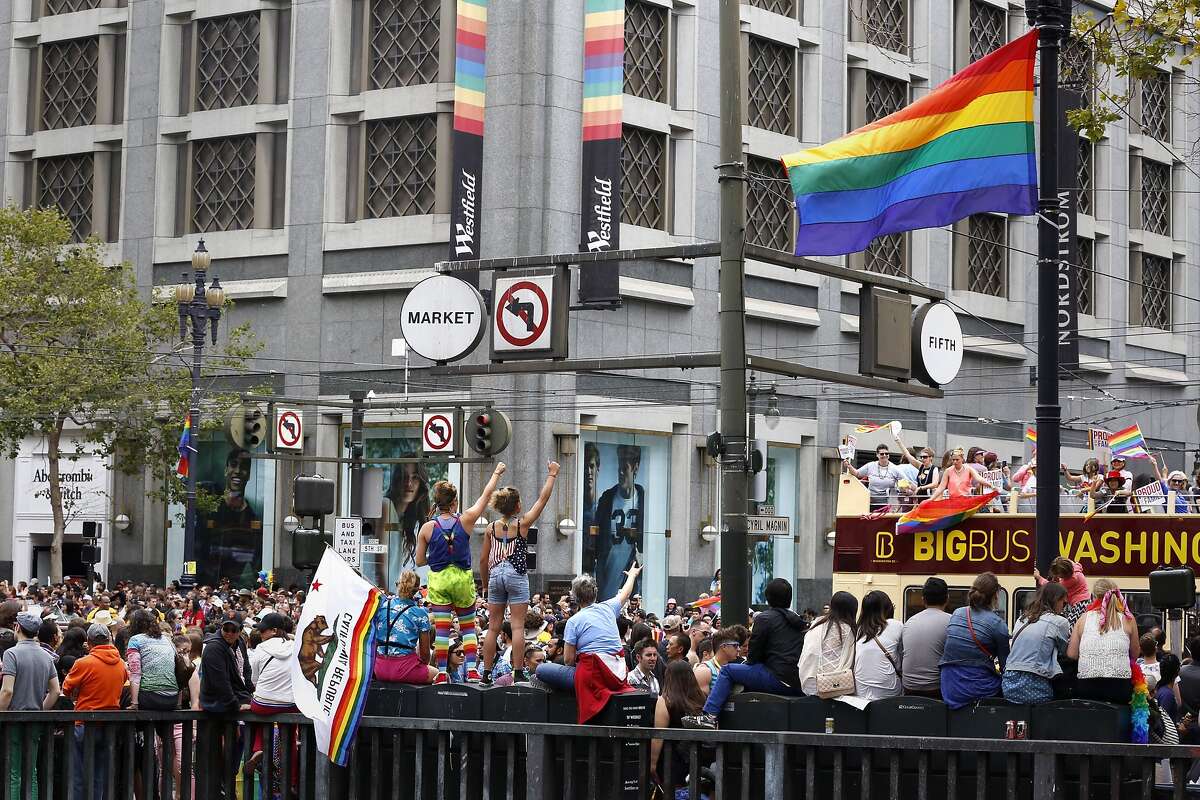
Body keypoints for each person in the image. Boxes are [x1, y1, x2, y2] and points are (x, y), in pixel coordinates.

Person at [415, 465, 505, 682]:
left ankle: (443, 673)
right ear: (454, 502)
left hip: (439, 581)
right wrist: (496, 473)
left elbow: (419, 561)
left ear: (436, 504)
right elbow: (485, 496)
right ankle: (473, 669)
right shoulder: (466, 520)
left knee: (444, 631)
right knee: (467, 628)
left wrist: (437, 559)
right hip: (463, 580)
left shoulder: (427, 528)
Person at [683, 579, 807, 730]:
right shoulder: (799, 622)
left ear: (767, 598)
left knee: (728, 670)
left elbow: (754, 656)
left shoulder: (764, 618)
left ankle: (709, 716)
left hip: (776, 677)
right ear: (790, 598)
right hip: (798, 682)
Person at [480, 461, 560, 684]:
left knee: (493, 627)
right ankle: (517, 672)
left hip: (495, 574)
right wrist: (552, 474)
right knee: (517, 626)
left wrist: (485, 585)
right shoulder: (522, 524)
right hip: (516, 573)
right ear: (516, 507)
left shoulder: (490, 528)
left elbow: (483, 559)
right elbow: (542, 501)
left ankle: (485, 673)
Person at [535, 564, 643, 724]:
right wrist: (632, 575)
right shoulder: (608, 608)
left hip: (593, 678)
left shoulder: (573, 621)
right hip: (618, 675)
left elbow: (568, 661)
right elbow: (626, 593)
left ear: (574, 597)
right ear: (595, 593)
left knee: (541, 669)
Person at [63, 624, 127, 800]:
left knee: (78, 775)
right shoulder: (121, 664)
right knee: (99, 775)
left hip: (84, 724)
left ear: (89, 642)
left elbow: (67, 689)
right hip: (108, 726)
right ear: (108, 639)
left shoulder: (83, 663)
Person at [0, 613, 60, 800]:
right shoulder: (46, 656)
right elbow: (55, 691)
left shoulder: (11, 654)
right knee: (31, 771)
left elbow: (7, 691)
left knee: (14, 772)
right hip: (35, 720)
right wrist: (40, 709)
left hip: (13, 720)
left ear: (17, 627)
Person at [939, 572, 1009, 709]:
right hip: (976, 689)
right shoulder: (998, 624)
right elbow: (1005, 666)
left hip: (949, 686)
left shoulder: (957, 613)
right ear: (996, 595)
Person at [1068, 578, 1139, 704]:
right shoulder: (1128, 618)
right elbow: (1135, 654)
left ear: (1094, 596)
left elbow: (1072, 654)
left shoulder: (1083, 619)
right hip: (1119, 687)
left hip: (1087, 686)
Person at [1002, 583, 1070, 703]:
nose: (1063, 608)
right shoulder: (1059, 622)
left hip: (1008, 683)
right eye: (1063, 603)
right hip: (1035, 684)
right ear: (1056, 600)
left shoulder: (1022, 618)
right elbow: (1066, 652)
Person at [593, 446, 646, 600]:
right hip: (607, 569)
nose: (621, 473)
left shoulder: (643, 499)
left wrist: (635, 534)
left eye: (625, 468)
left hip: (630, 571)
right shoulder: (607, 498)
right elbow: (595, 535)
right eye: (619, 468)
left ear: (635, 468)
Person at [372, 570, 438, 685]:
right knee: (438, 675)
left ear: (398, 584)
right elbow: (425, 653)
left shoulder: (383, 606)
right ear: (417, 590)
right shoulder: (420, 613)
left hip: (379, 668)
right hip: (405, 669)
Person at [651, 661, 706, 792]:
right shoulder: (703, 698)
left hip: (672, 759)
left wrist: (652, 764)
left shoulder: (665, 700)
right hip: (697, 757)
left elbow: (658, 735)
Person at [798, 591, 858, 695]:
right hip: (837, 688)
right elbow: (852, 663)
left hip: (809, 684)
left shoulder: (816, 624)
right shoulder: (847, 630)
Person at [900, 577, 950, 699]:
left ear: (923, 600)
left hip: (908, 687)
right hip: (936, 689)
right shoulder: (952, 621)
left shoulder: (909, 622)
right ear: (947, 598)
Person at [853, 590, 903, 702]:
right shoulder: (896, 625)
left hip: (860, 691)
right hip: (889, 690)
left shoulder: (859, 629)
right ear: (888, 608)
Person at [126, 608, 180, 710]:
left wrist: (134, 703)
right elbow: (178, 669)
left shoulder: (135, 640)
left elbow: (135, 673)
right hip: (172, 698)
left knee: (124, 694)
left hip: (150, 697)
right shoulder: (167, 640)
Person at [383, 462, 431, 576]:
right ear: (396, 479)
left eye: (414, 478)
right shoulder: (384, 508)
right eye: (404, 476)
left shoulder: (418, 522)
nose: (409, 483)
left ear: (421, 484)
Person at [844, 444, 904, 510]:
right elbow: (857, 474)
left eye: (886, 453)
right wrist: (849, 466)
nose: (884, 455)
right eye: (882, 454)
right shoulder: (870, 466)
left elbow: (905, 482)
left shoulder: (895, 468)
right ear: (877, 455)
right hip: (870, 502)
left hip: (888, 504)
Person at [1034, 557, 1091, 626]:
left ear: (1065, 574)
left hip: (1080, 604)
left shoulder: (1071, 580)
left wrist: (1039, 578)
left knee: (1071, 626)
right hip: (1083, 602)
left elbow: (1052, 587)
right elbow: (1066, 562)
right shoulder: (1075, 567)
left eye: (1058, 575)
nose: (1057, 576)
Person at [932, 448, 998, 499]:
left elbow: (979, 478)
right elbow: (941, 487)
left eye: (957, 460)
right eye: (953, 460)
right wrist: (931, 499)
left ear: (962, 459)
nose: (955, 462)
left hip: (966, 500)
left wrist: (991, 485)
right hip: (953, 501)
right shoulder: (948, 471)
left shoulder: (968, 468)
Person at [694, 627, 739, 698]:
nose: (738, 649)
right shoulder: (704, 670)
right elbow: (701, 703)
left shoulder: (731, 668)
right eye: (735, 646)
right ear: (724, 646)